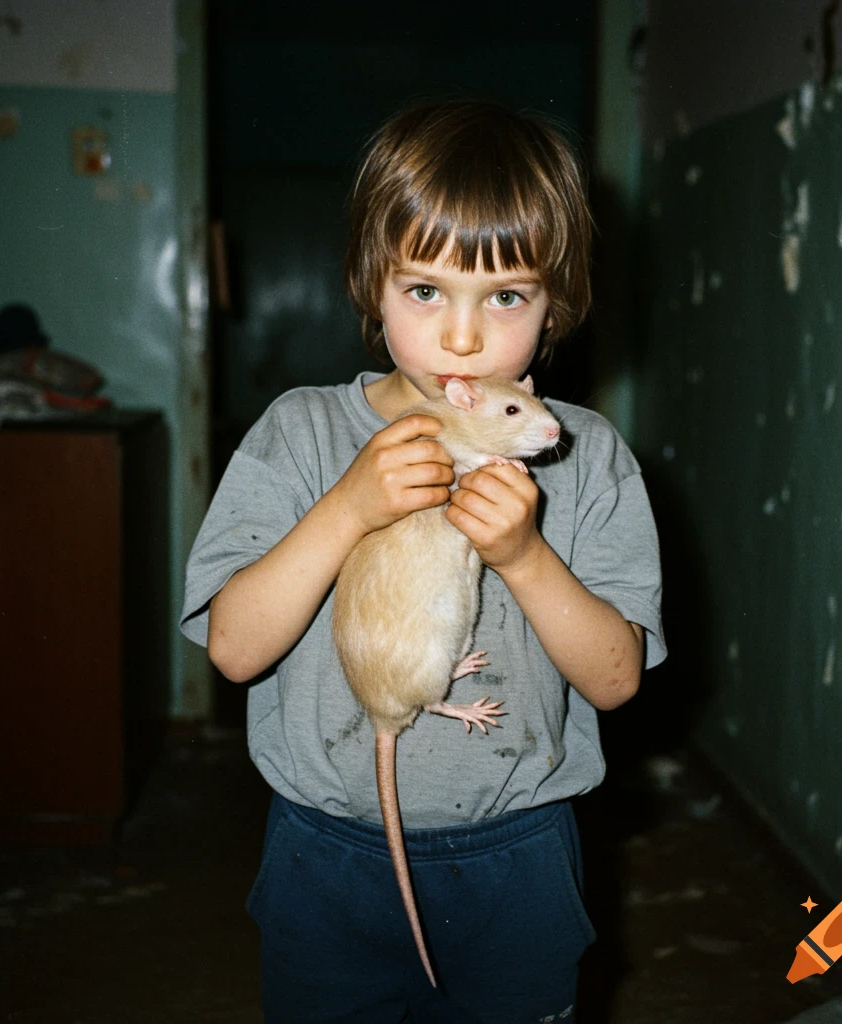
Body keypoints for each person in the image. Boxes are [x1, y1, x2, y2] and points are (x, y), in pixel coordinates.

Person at [180, 99, 666, 1024]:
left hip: (518, 854)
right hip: (325, 849)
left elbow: (615, 680)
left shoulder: (588, 454)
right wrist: (347, 508)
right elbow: (235, 652)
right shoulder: (302, 434)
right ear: (371, 281)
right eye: (426, 290)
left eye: (508, 296)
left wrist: (524, 556)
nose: (464, 338)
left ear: (557, 299)